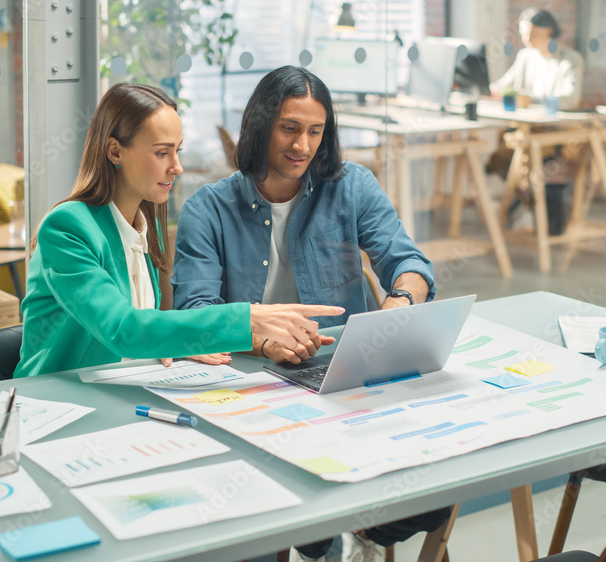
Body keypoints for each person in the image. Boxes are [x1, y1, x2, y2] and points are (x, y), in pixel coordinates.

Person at [172, 66, 447, 562]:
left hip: (343, 378)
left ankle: (345, 530)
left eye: (315, 132)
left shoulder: (351, 187)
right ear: (261, 126)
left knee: (434, 492)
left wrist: (400, 303)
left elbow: (408, 263)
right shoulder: (206, 210)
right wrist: (263, 340)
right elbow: (195, 313)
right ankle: (324, 536)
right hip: (253, 389)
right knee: (292, 503)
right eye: (290, 128)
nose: (303, 146)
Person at [15, 83, 342, 379]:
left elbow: (145, 329)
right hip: (53, 403)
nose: (177, 167)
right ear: (115, 152)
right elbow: (122, 329)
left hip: (122, 391)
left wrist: (183, 341)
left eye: (177, 150)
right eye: (161, 153)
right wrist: (250, 319)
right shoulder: (66, 228)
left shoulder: (144, 225)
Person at [489, 8, 584, 111]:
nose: (526, 39)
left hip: (553, 123)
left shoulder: (570, 60)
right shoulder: (525, 56)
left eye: (531, 34)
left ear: (549, 31)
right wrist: (490, 89)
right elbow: (504, 84)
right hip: (524, 120)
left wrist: (529, 100)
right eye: (523, 34)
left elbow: (570, 100)